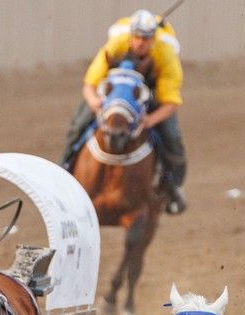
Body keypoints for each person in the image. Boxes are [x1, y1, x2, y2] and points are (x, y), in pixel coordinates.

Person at [60, 8, 188, 214]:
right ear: (130, 36)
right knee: (78, 125)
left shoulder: (166, 56)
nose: (140, 42)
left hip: (150, 94)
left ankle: (175, 188)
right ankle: (63, 171)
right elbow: (90, 84)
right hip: (113, 94)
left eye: (146, 38)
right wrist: (95, 103)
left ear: (153, 39)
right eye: (137, 36)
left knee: (172, 137)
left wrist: (150, 119)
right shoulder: (115, 46)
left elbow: (171, 103)